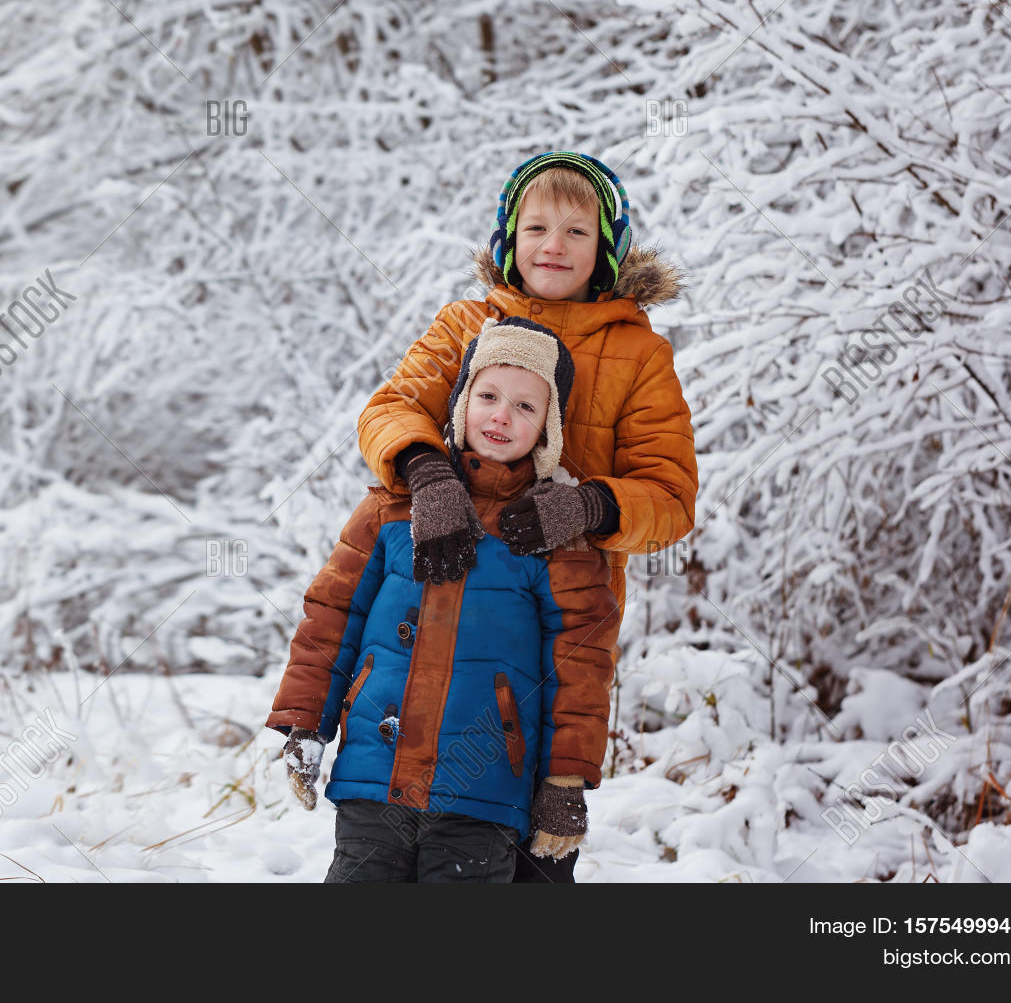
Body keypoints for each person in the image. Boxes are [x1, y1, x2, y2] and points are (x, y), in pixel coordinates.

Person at [356, 151, 698, 879]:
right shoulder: (466, 324)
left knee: (536, 830)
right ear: (510, 237)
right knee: (413, 824)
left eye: (577, 231)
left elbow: (670, 498)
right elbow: (390, 409)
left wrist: (590, 505)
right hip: (444, 603)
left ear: (607, 247)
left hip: (561, 623)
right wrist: (426, 471)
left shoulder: (639, 354)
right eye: (536, 227)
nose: (553, 246)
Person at [267, 317, 619, 882]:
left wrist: (564, 779)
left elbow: (581, 666)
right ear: (460, 403)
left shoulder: (559, 542)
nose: (502, 416)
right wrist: (306, 722)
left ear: (549, 429)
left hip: (483, 791)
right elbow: (331, 617)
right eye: (488, 396)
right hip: (374, 776)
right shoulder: (389, 511)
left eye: (526, 407)